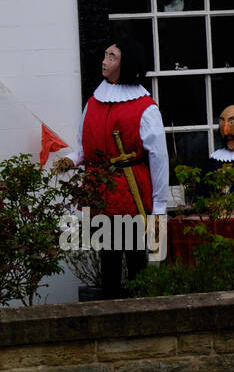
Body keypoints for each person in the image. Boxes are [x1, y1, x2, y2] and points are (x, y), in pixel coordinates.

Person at [56, 35, 169, 297]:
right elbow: (86, 148)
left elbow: (159, 158)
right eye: (105, 55)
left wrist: (159, 205)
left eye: (112, 57)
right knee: (107, 258)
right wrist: (71, 160)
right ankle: (109, 315)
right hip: (100, 192)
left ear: (125, 63)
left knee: (135, 259)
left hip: (131, 192)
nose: (104, 61)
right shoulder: (94, 102)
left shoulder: (146, 108)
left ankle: (141, 316)